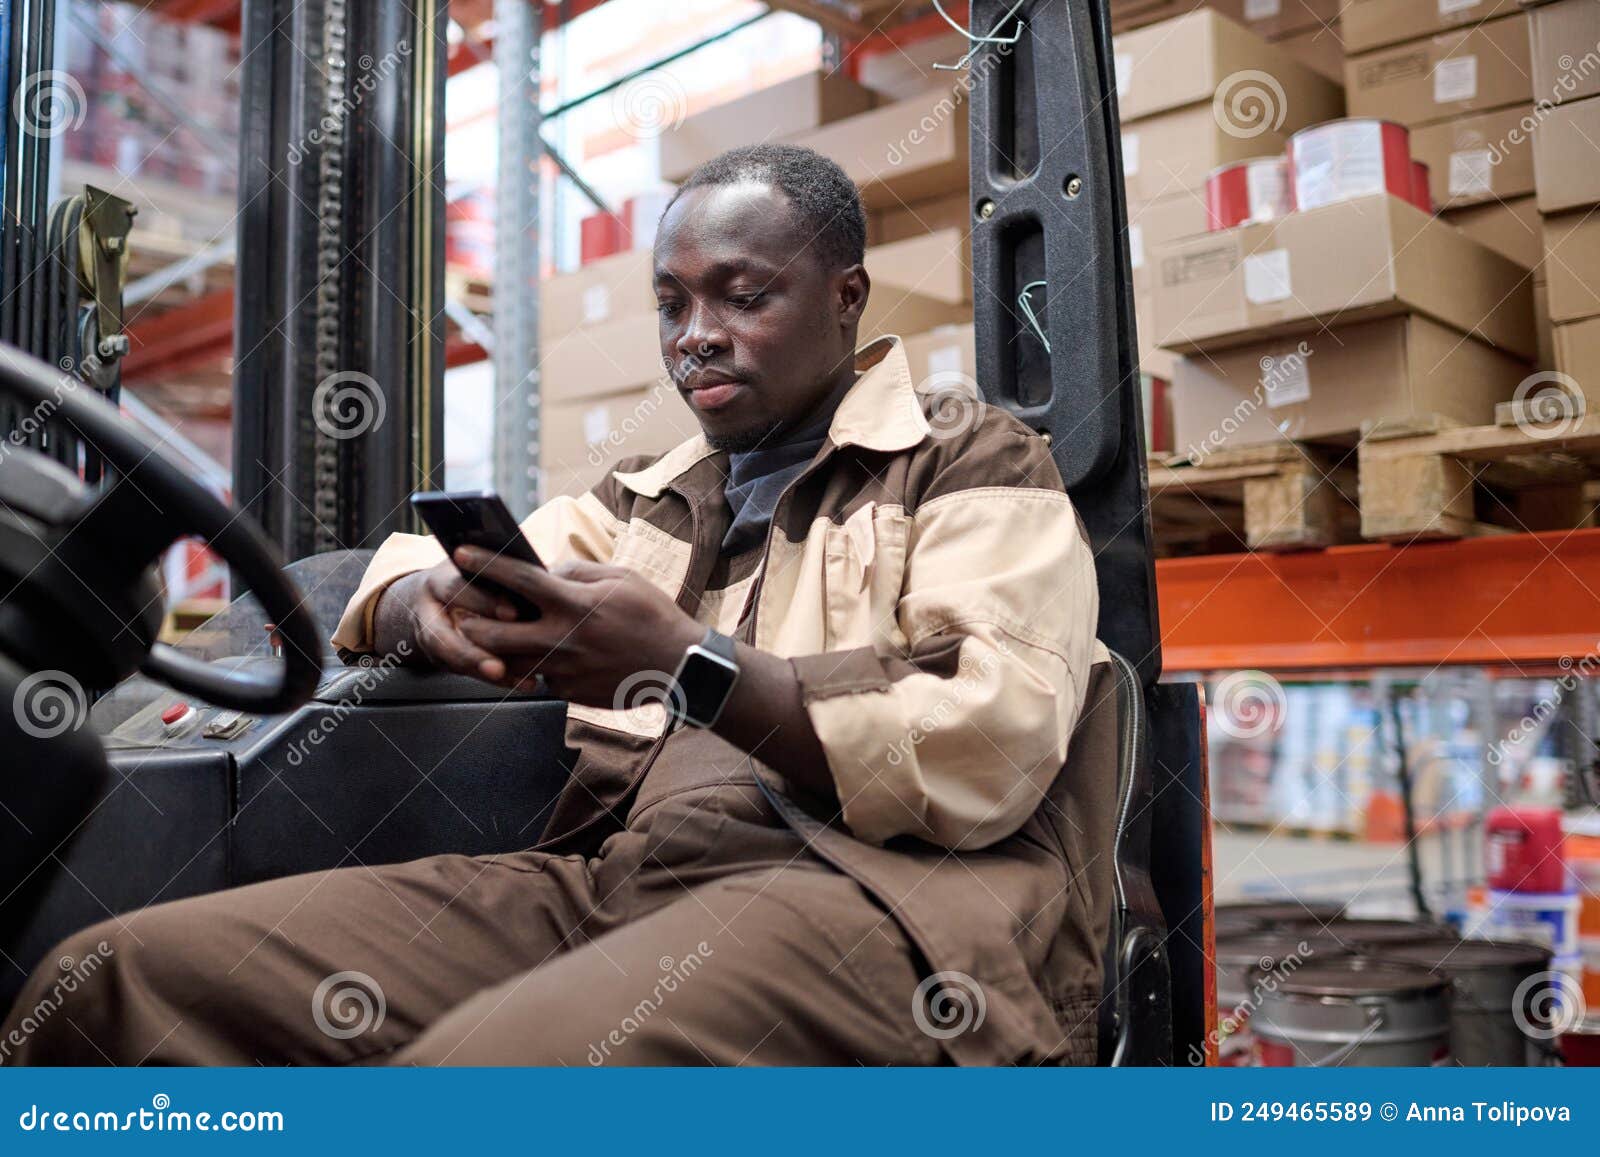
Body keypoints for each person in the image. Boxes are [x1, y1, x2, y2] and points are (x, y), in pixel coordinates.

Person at [3, 144, 1114, 1066]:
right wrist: (419, 607)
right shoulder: (652, 499)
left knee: (479, 1074)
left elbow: (989, 734)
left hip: (885, 893)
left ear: (845, 296)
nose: (695, 334)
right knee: (110, 989)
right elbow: (389, 572)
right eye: (672, 304)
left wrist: (690, 666)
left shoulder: (967, 461)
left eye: (742, 294)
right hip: (622, 879)